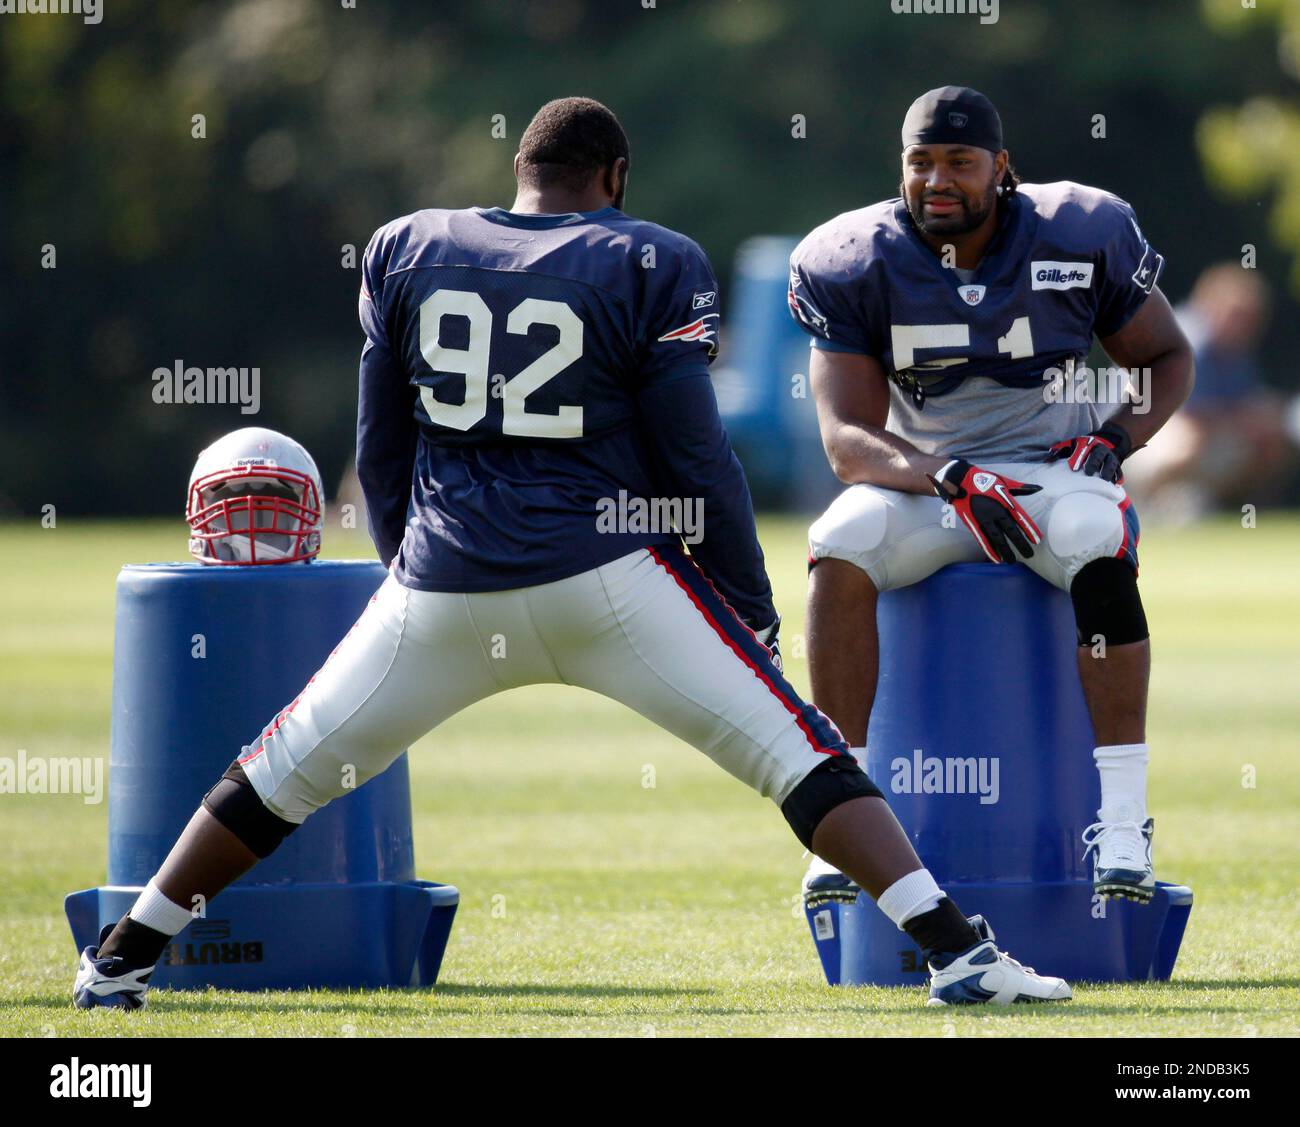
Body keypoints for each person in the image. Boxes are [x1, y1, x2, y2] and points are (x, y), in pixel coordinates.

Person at [73, 96, 1069, 1011]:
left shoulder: (407, 246)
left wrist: (401, 573)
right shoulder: (652, 258)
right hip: (608, 576)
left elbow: (381, 448)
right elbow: (695, 454)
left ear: (519, 166)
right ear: (617, 177)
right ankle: (958, 955)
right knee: (796, 752)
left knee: (281, 769)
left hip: (443, 583)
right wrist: (744, 600)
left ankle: (121, 953)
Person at [789, 86, 1195, 910]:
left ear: (1000, 169)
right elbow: (847, 439)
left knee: (1095, 530)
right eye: (921, 162)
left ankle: (1122, 823)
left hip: (1048, 474)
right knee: (838, 544)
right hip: (931, 480)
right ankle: (841, 821)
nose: (938, 180)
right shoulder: (854, 256)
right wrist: (944, 473)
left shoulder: (1079, 231)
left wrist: (1115, 439)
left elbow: (1165, 356)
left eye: (959, 163)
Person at [1122, 263, 1295, 521]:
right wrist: (1249, 419)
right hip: (1132, 442)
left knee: (1269, 442)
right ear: (1211, 306)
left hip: (1200, 440)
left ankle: (1215, 504)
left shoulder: (1235, 351)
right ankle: (1138, 503)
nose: (1246, 327)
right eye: (1238, 316)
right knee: (1188, 444)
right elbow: (1195, 419)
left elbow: (1240, 405)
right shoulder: (1189, 339)